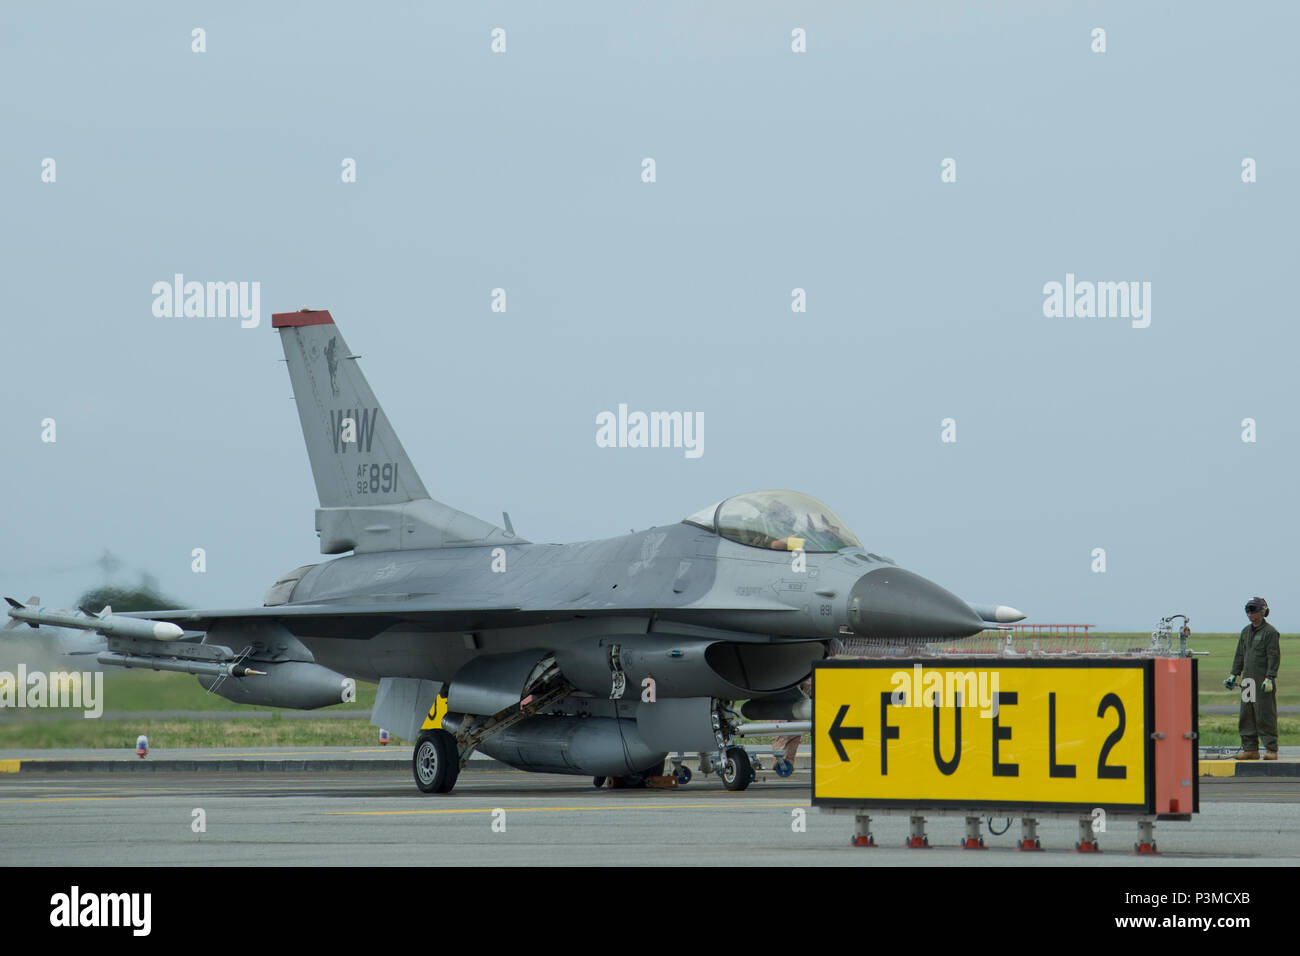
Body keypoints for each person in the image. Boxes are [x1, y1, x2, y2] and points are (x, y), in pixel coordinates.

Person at [1225, 597, 1281, 760]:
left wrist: (1270, 677)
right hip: (1247, 681)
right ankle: (1250, 749)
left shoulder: (1270, 632)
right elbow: (1240, 655)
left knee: (1265, 714)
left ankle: (1271, 749)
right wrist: (1233, 674)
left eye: (1253, 609)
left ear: (1263, 611)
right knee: (1246, 715)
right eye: (1248, 610)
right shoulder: (1245, 632)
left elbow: (1274, 656)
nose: (1250, 613)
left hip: (1262, 682)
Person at [770, 679, 812, 774]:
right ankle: (780, 760)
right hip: (778, 697)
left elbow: (806, 681)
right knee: (780, 732)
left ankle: (787, 761)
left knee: (795, 733)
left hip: (794, 699)